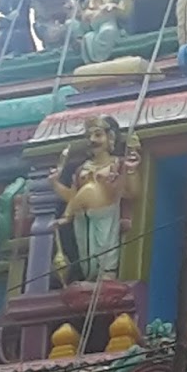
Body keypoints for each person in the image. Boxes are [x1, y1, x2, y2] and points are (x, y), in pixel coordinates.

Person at [50, 115, 141, 280]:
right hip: (81, 219)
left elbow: (132, 192)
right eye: (89, 136)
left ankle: (106, 276)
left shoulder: (118, 164)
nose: (92, 140)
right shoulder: (81, 169)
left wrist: (131, 170)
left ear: (110, 137)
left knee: (105, 260)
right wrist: (55, 183)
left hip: (106, 216)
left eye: (98, 135)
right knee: (87, 261)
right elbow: (73, 197)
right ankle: (90, 279)